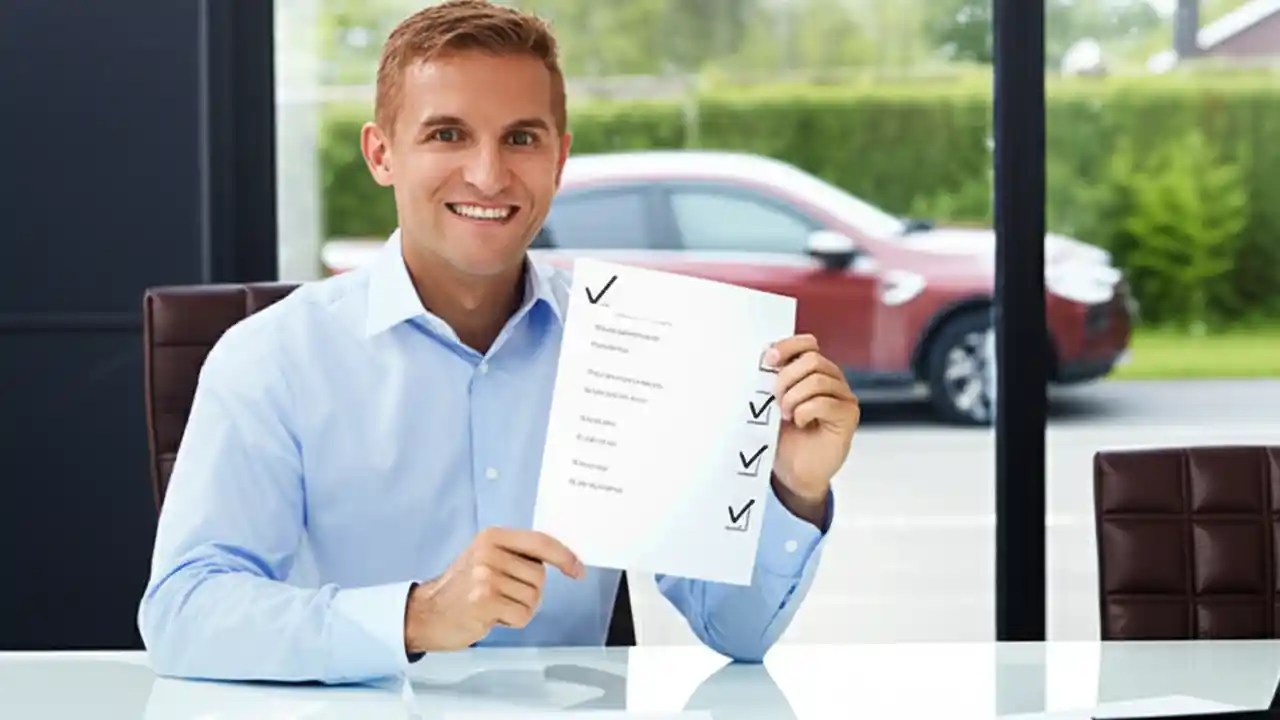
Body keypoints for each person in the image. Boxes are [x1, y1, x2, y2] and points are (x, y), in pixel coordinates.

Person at [137, 0, 861, 685]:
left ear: (559, 159)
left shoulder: (635, 350)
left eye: (521, 138)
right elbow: (183, 614)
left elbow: (735, 632)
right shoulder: (270, 358)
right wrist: (416, 616)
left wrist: (793, 491)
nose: (488, 173)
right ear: (381, 153)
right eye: (447, 134)